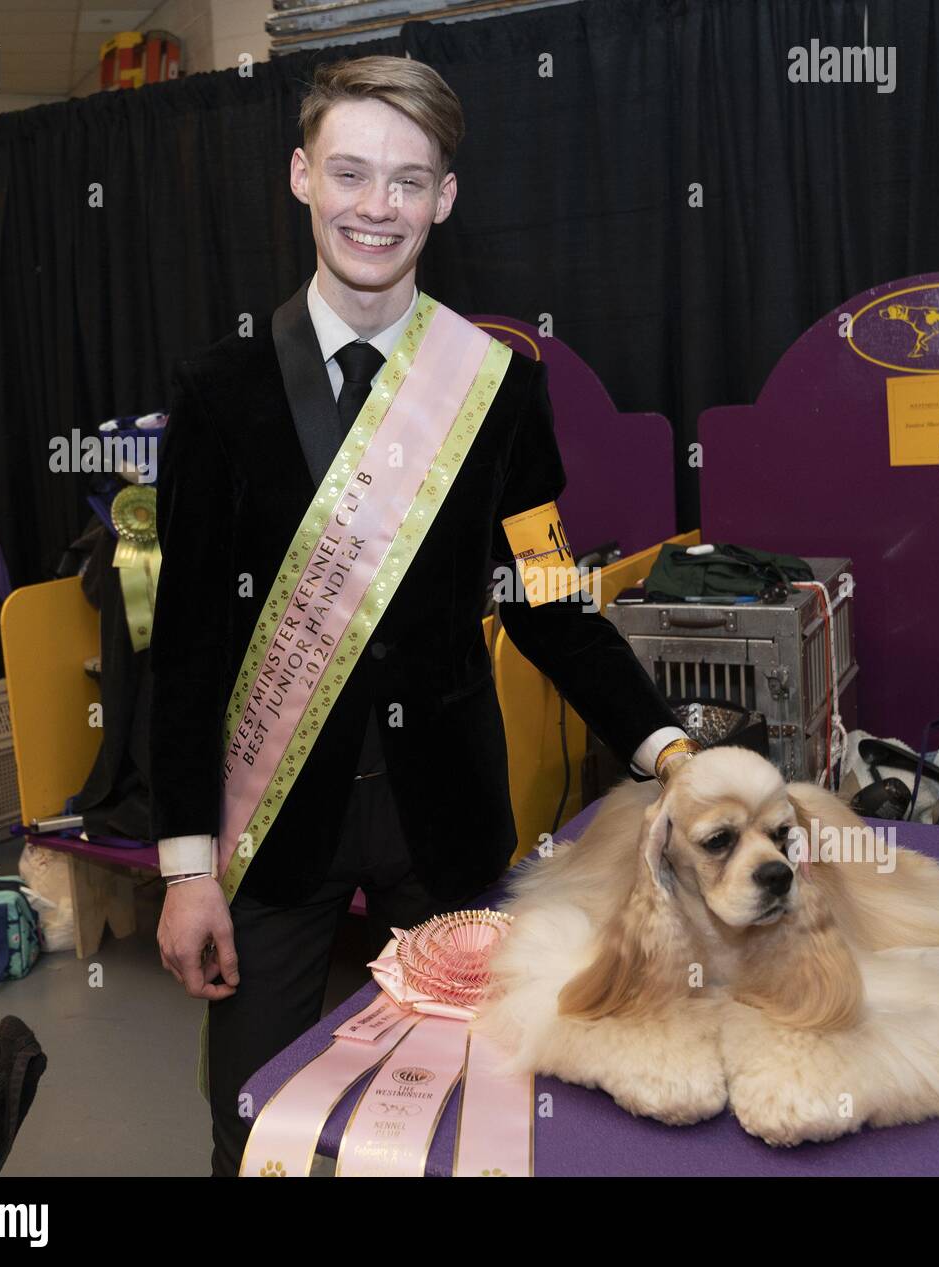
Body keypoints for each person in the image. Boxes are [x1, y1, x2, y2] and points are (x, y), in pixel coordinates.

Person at [148, 54, 699, 1177]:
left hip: (444, 813)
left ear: (444, 198)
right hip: (271, 824)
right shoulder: (220, 390)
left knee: (463, 1111)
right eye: (350, 173)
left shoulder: (494, 385)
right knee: (253, 1124)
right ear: (301, 177)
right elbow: (192, 649)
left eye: (408, 181)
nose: (375, 207)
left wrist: (665, 744)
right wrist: (184, 867)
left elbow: (545, 601)